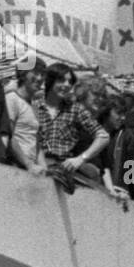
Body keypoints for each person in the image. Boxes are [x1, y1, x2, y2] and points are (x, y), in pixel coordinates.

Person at [36, 63, 109, 192]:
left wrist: (131, 189)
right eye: (96, 95)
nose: (100, 100)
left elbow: (126, 163)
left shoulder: (122, 133)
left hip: (73, 174)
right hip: (42, 167)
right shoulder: (35, 103)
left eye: (70, 82)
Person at [5, 61, 45, 172]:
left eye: (42, 74)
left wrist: (44, 167)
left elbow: (36, 142)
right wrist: (28, 164)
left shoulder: (34, 107)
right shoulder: (12, 98)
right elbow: (8, 136)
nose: (39, 78)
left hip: (30, 168)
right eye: (36, 73)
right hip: (13, 165)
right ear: (23, 74)